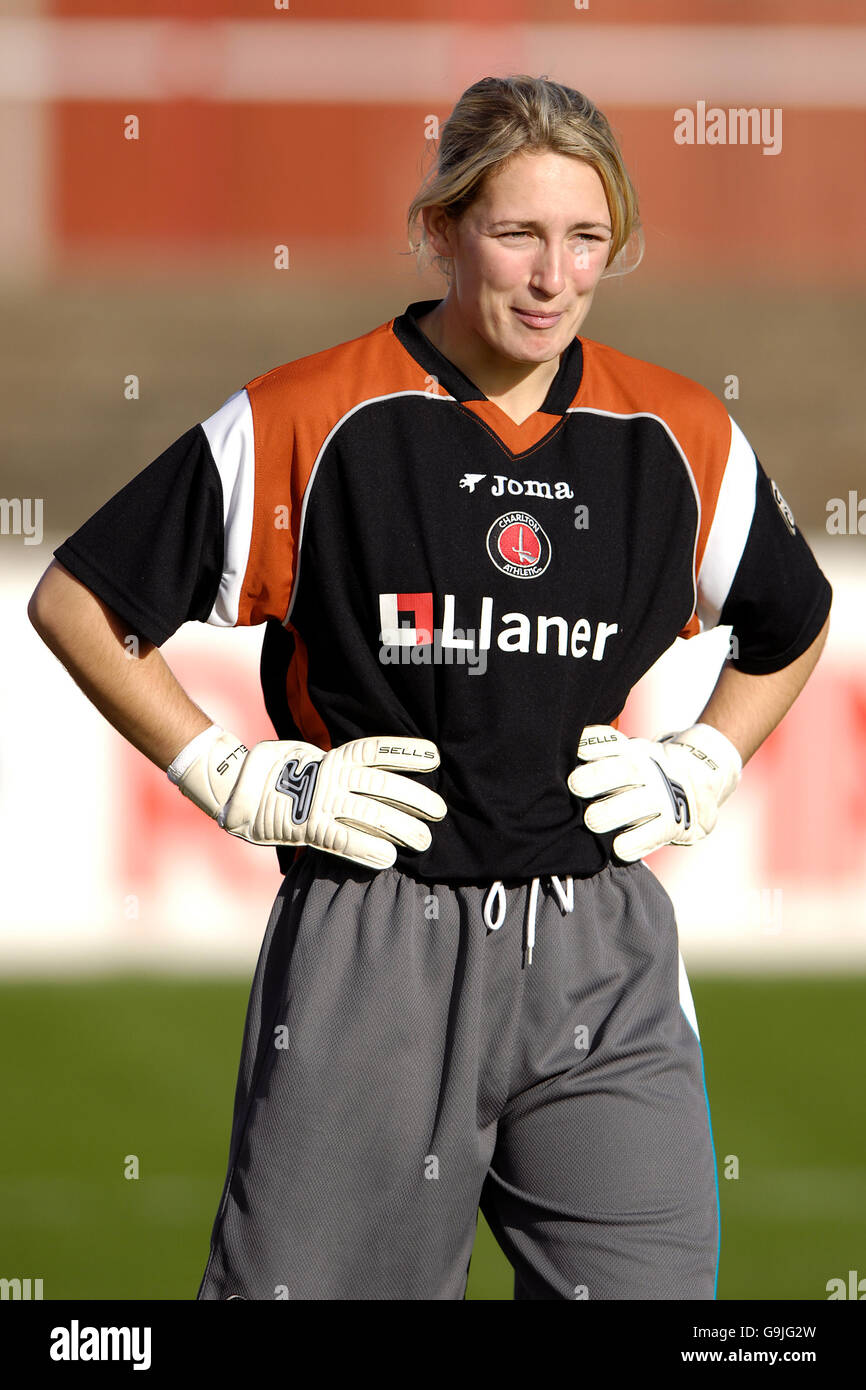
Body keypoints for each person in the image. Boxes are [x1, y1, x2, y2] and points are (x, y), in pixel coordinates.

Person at [28, 75, 831, 1301]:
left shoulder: (677, 435)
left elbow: (789, 623)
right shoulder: (311, 417)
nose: (552, 276)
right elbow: (78, 602)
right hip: (372, 951)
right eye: (516, 233)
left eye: (584, 239)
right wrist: (234, 777)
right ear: (442, 228)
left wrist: (704, 763)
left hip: (600, 953)